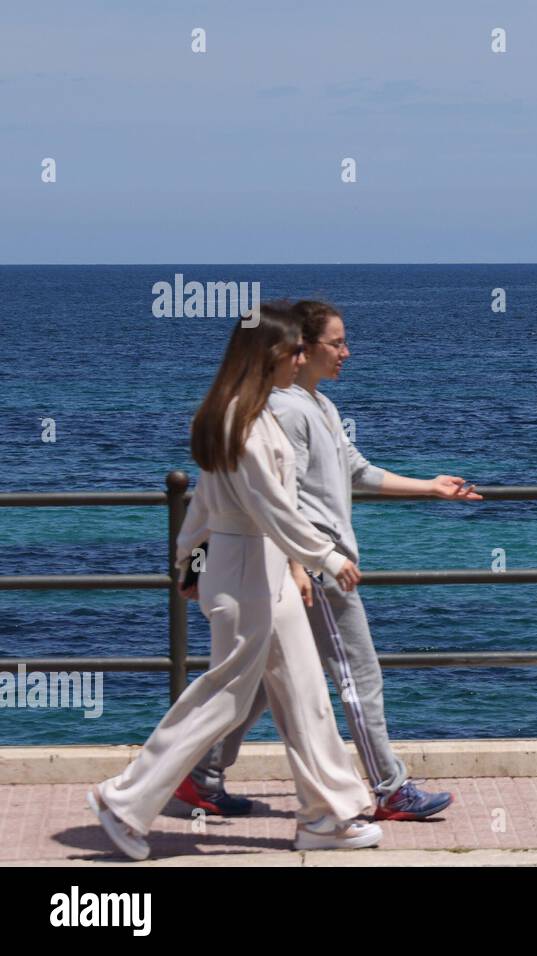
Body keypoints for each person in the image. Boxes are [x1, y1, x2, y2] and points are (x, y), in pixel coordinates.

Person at [88, 303, 382, 861]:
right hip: (247, 567)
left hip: (260, 565)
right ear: (270, 353)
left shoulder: (251, 413)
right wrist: (323, 556)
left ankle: (329, 815)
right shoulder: (240, 422)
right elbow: (273, 507)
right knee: (223, 698)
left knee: (305, 692)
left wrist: (189, 563)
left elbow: (202, 505)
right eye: (296, 348)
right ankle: (124, 800)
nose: (303, 357)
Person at [175, 299, 482, 821]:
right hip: (317, 566)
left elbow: (356, 471)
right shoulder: (288, 410)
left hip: (311, 564)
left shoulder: (319, 405)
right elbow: (279, 499)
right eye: (335, 343)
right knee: (358, 675)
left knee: (258, 681)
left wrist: (431, 487)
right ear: (304, 347)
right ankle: (389, 787)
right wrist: (304, 563)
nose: (346, 351)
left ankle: (201, 777)